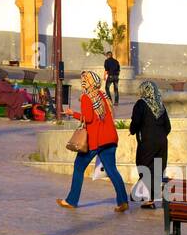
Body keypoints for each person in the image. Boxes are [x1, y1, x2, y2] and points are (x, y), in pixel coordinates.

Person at [57, 70, 129, 213]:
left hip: (95, 141)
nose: (82, 81)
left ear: (88, 82)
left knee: (78, 167)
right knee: (112, 170)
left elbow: (88, 118)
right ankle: (122, 201)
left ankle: (71, 200)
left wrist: (73, 114)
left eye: (84, 79)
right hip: (110, 139)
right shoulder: (103, 95)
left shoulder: (86, 97)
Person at [129, 79, 171, 209]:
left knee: (144, 167)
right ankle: (150, 199)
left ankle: (147, 197)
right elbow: (168, 126)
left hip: (147, 142)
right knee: (157, 170)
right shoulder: (160, 105)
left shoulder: (141, 104)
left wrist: (132, 130)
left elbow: (135, 122)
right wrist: (160, 136)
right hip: (162, 142)